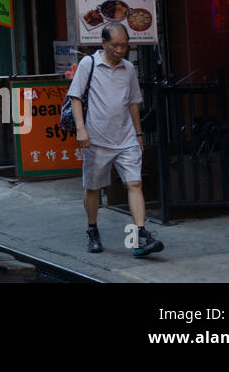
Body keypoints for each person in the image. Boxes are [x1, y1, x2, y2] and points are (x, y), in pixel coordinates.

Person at [69, 22, 164, 258]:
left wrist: (139, 134)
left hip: (126, 137)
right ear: (103, 43)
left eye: (124, 45)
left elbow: (133, 102)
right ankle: (92, 229)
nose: (120, 50)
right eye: (115, 45)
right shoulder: (88, 64)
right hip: (96, 140)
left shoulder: (129, 69)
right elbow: (75, 97)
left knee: (134, 184)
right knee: (93, 188)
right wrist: (81, 129)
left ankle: (140, 235)